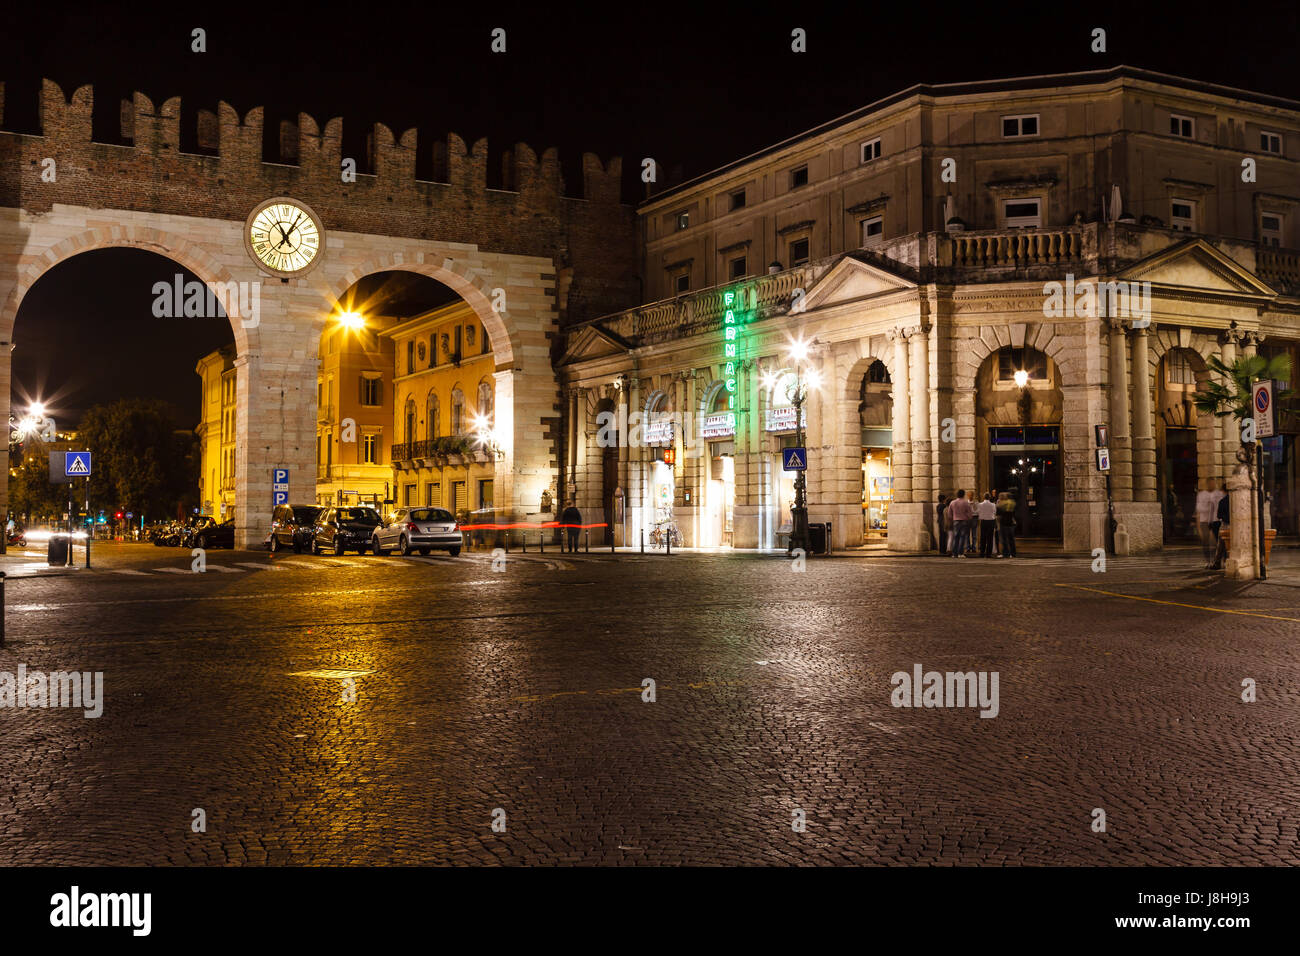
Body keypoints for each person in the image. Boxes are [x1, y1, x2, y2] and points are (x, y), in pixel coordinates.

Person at [1209, 484, 1229, 570]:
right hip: (1236, 525)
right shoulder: (1237, 500)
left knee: (1221, 544)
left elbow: (1219, 515)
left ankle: (1217, 563)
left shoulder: (1223, 501)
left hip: (1225, 525)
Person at [948, 490, 973, 557]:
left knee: (955, 537)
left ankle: (954, 553)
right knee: (962, 537)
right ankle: (960, 553)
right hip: (964, 521)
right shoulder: (965, 503)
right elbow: (970, 513)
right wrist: (968, 518)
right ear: (963, 495)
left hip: (955, 521)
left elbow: (949, 514)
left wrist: (952, 519)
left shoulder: (952, 502)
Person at [997, 491, 1017, 558]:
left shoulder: (1001, 504)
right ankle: (1013, 553)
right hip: (1010, 523)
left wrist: (998, 524)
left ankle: (1005, 553)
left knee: (1004, 539)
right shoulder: (1012, 503)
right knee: (1011, 539)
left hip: (1003, 523)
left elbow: (998, 516)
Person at [977, 493, 997, 558]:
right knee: (990, 538)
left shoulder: (980, 504)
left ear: (983, 497)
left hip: (983, 521)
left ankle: (982, 553)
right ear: (989, 497)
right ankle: (988, 554)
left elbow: (978, 512)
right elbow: (994, 512)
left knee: (983, 537)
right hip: (991, 521)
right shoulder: (993, 505)